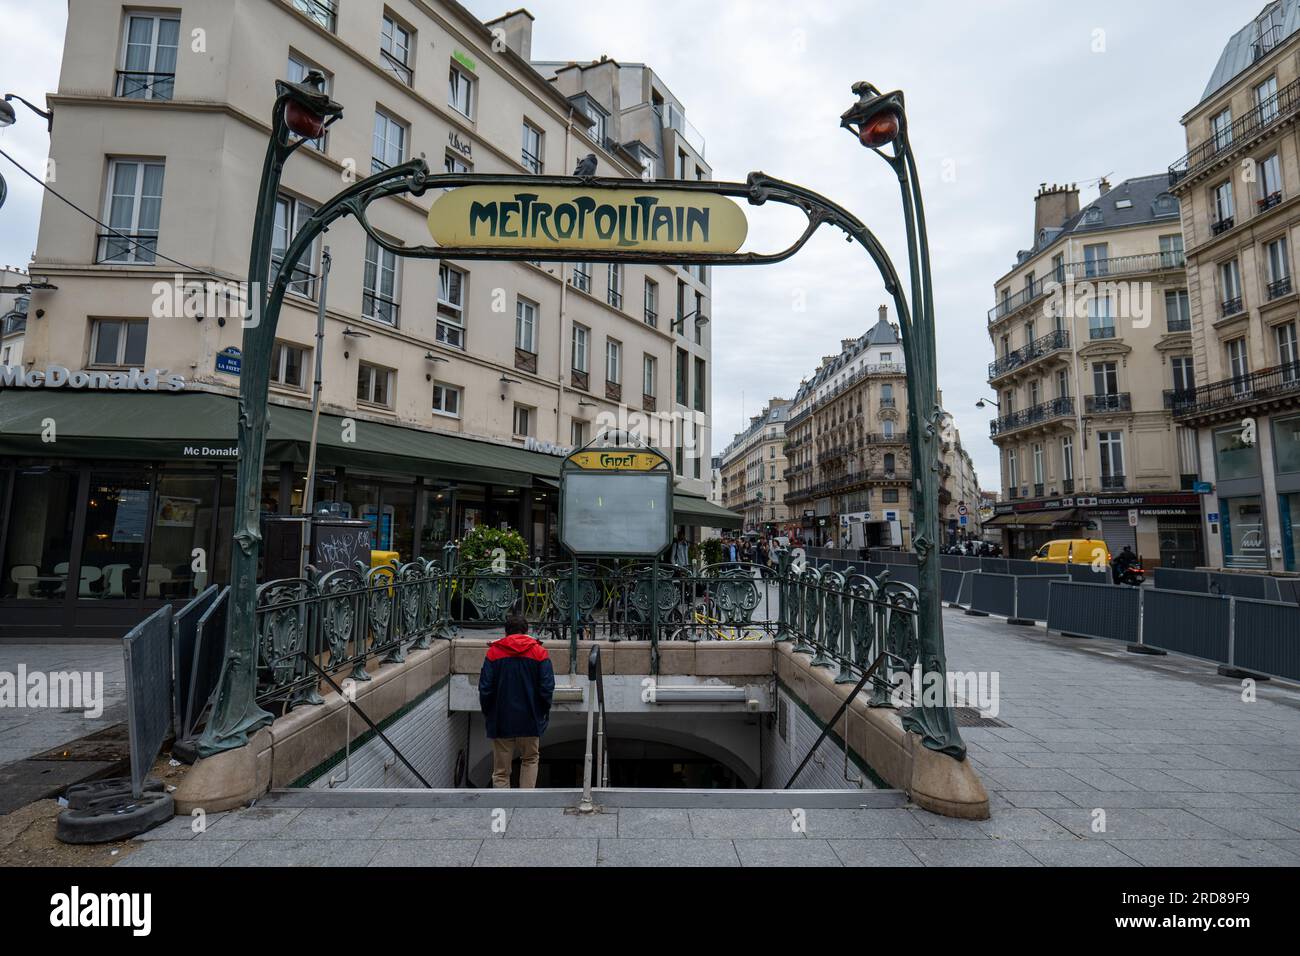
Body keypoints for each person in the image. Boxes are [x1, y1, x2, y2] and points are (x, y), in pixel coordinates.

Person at [478, 612, 555, 789]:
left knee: (501, 771)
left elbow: (485, 688)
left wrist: (489, 712)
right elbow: (547, 687)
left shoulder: (494, 653)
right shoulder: (539, 652)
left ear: (506, 633)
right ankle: (525, 802)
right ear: (526, 631)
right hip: (530, 719)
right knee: (530, 760)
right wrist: (542, 711)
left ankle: (503, 807)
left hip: (501, 720)